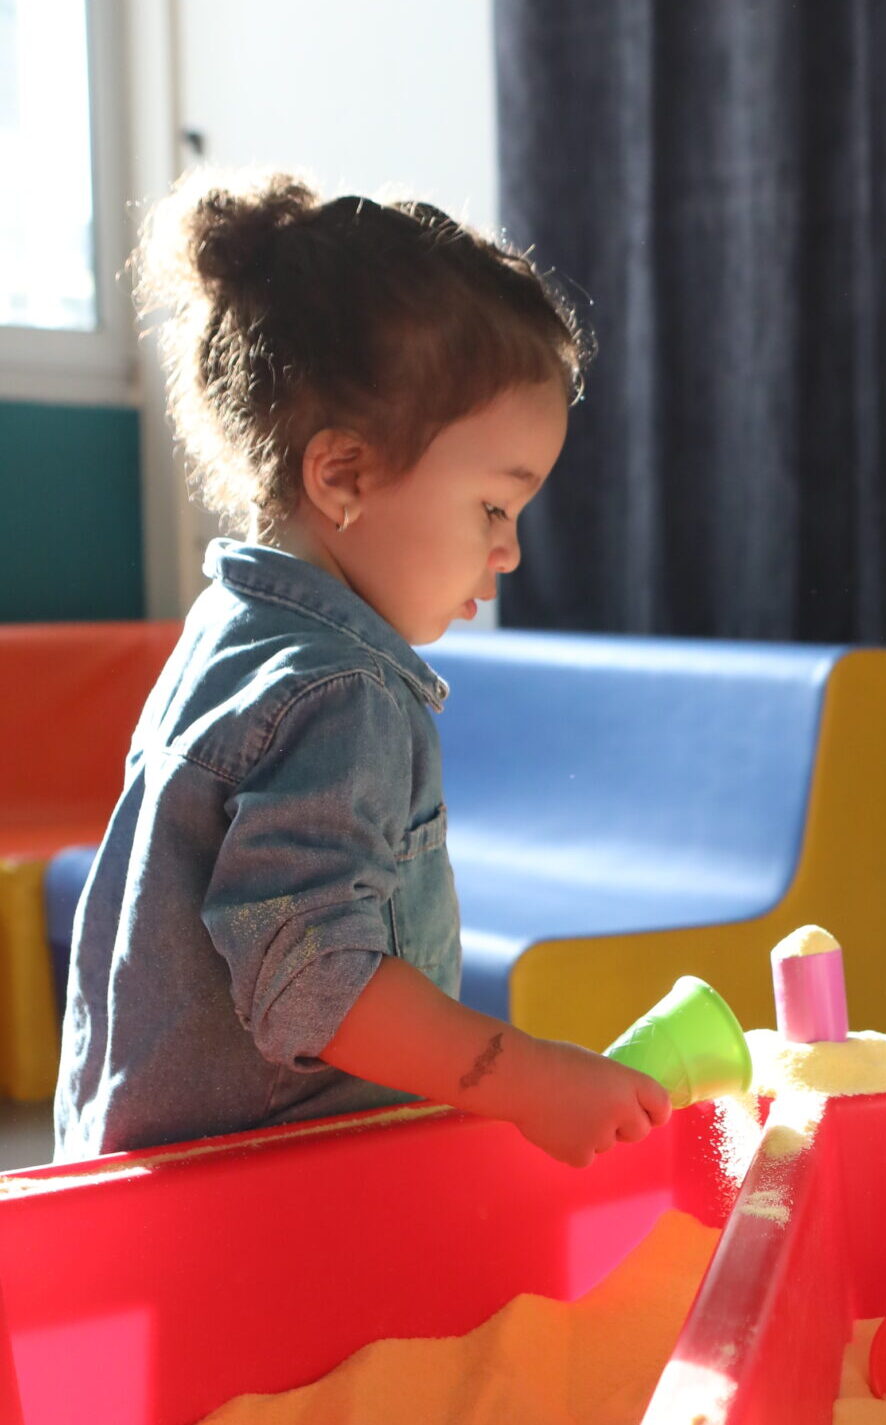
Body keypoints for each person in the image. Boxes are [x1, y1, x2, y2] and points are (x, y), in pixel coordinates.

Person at [54, 171, 672, 1165]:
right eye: (492, 509)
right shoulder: (346, 694)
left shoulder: (231, 626)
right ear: (343, 476)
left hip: (142, 1165)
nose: (508, 552)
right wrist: (530, 1077)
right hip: (255, 1201)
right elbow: (314, 981)